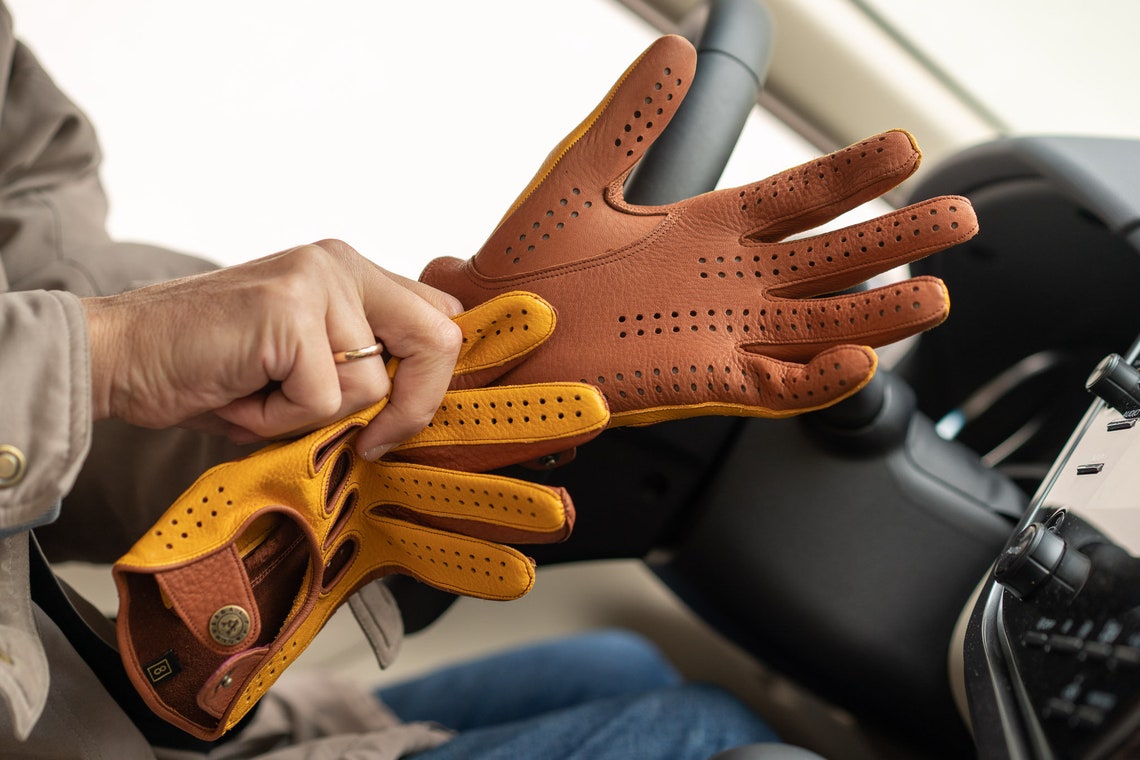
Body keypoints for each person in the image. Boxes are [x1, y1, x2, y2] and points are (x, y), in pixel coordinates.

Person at [0, 4, 788, 758]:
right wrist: (107, 351)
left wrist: (325, 430)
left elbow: (30, 209)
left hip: (64, 677)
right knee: (707, 732)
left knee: (624, 667)